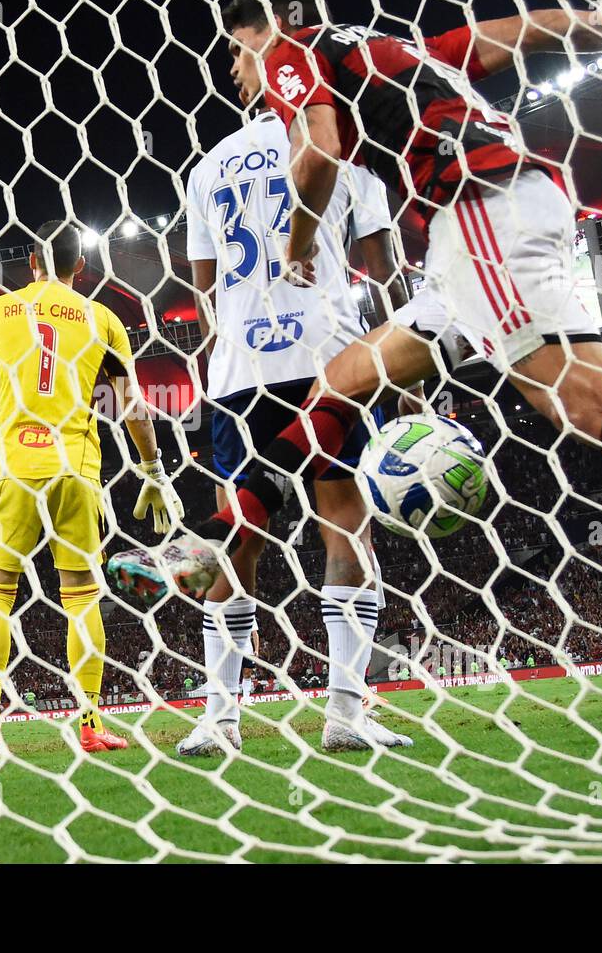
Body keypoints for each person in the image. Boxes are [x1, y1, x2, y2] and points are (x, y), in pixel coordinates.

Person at [109, 0, 602, 627]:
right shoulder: (398, 49)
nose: (236, 67)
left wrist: (300, 242)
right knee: (341, 384)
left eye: (235, 48)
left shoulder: (292, 51)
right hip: (488, 228)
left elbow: (316, 152)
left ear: (262, 31)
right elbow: (540, 27)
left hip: (478, 215)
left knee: (587, 403)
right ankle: (206, 544)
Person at [178, 69, 415, 756]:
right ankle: (345, 711)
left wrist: (235, 346)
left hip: (239, 372)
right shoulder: (345, 151)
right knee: (346, 530)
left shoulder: (209, 165)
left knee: (238, 541)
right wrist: (400, 364)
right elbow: (385, 270)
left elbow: (203, 294)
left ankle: (219, 719)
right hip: (329, 361)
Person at [0, 220, 183, 761]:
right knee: (82, 598)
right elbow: (133, 408)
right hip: (76, 469)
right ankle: (89, 724)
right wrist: (154, 471)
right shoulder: (103, 319)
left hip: (14, 466)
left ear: (30, 261)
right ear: (80, 267)